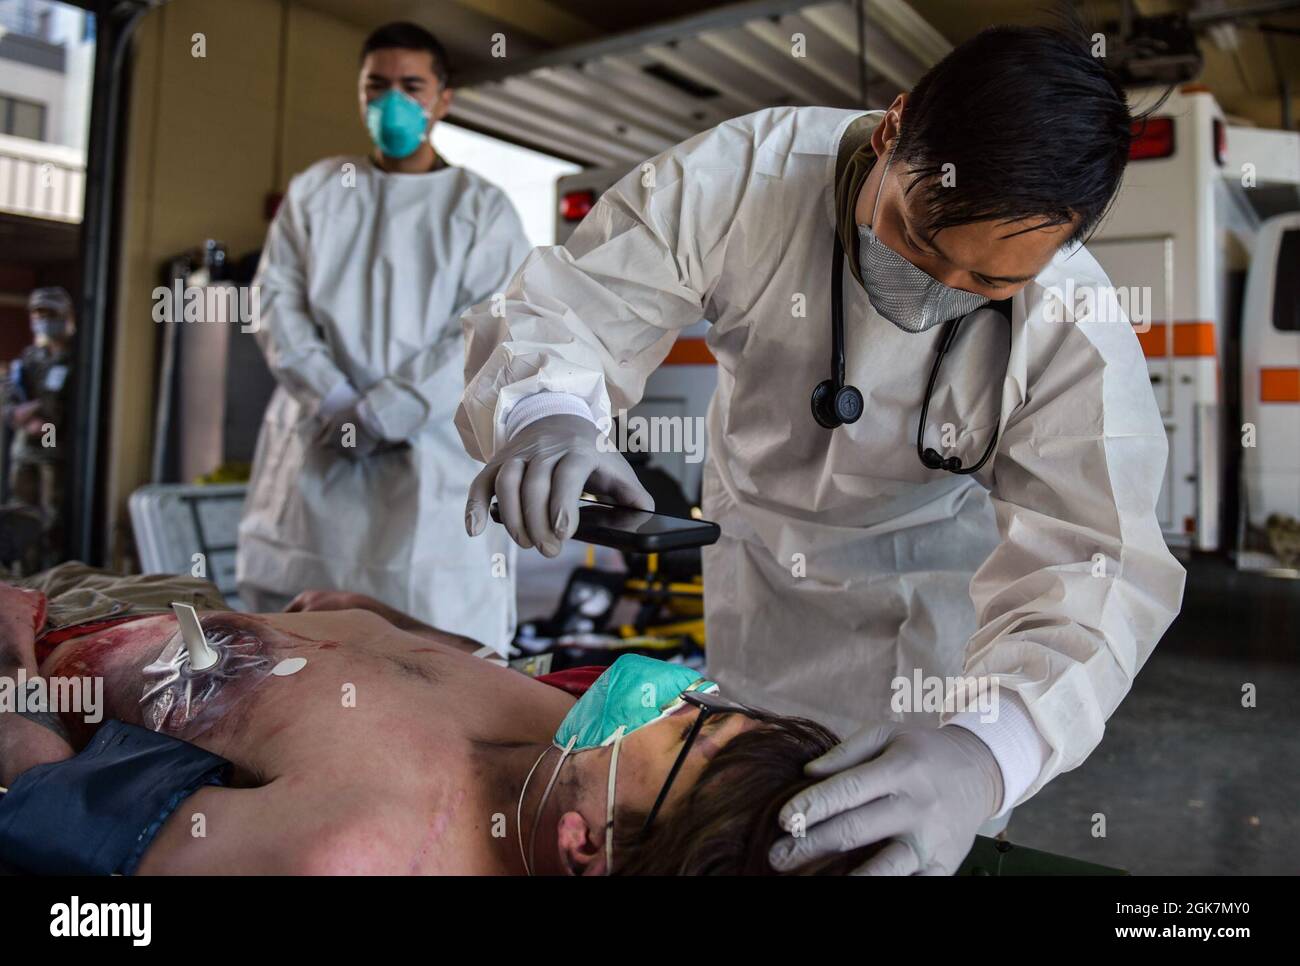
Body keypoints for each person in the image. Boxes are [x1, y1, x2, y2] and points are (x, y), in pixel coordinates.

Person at [455, 21, 1187, 874]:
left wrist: (984, 756)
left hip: (929, 603)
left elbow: (1102, 567)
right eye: (917, 240)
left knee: (888, 841)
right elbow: (578, 300)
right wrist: (548, 411)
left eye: (989, 284)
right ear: (892, 131)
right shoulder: (746, 177)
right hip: (760, 562)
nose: (930, 298)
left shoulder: (1073, 326)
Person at [0, 566, 867, 875]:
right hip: (159, 601)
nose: (671, 695)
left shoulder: (353, 852)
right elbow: (483, 669)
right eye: (713, 709)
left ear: (588, 847)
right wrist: (389, 629)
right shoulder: (573, 735)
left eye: (686, 730)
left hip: (42, 657)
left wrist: (9, 664)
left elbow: (44, 800)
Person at [236, 22, 531, 650]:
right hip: (318, 455)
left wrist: (389, 409)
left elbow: (489, 325)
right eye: (376, 86)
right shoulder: (318, 190)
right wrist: (335, 400)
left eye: (411, 86)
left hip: (431, 465)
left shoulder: (481, 208)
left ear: (443, 99)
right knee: (295, 651)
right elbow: (275, 300)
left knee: (431, 651)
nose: (391, 102)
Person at [3, 287, 75, 568]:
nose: (43, 320)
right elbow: (8, 397)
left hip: (52, 442)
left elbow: (63, 406)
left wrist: (41, 419)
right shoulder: (29, 357)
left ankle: (49, 569)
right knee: (20, 510)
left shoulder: (76, 358)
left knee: (51, 513)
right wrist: (18, 414)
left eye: (50, 313)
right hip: (24, 446)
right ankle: (22, 569)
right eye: (38, 314)